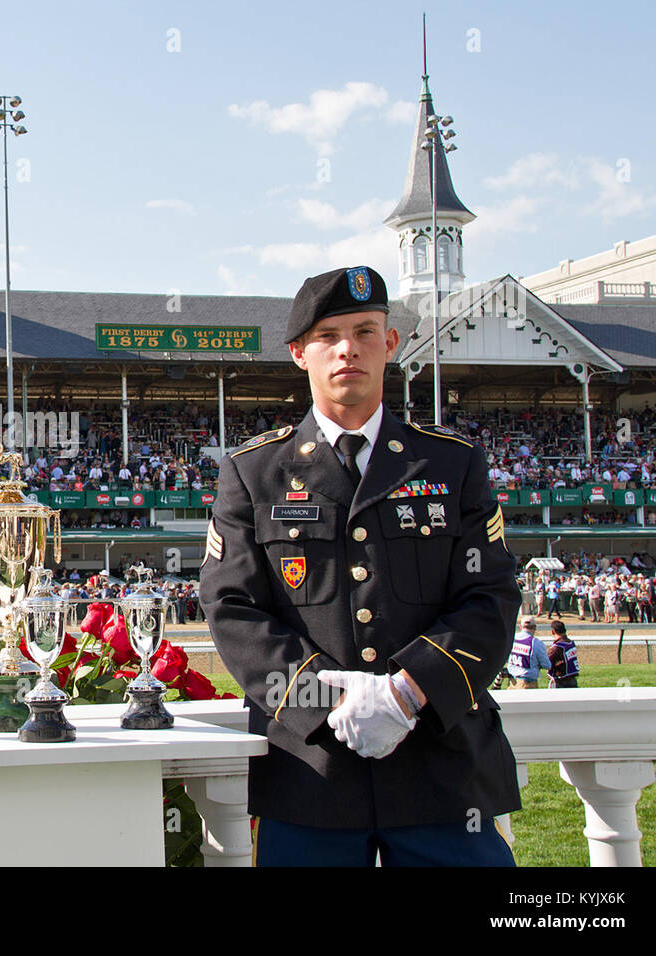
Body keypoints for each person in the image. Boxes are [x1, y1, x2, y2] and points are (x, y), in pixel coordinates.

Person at [200, 265, 521, 866]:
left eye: (366, 330)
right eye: (327, 336)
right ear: (299, 353)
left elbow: (491, 597)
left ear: (391, 343)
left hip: (444, 772)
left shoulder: (452, 465)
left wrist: (406, 692)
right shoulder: (253, 472)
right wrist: (324, 702)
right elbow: (232, 608)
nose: (348, 348)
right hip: (310, 775)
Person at [506, 617, 551, 689]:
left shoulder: (511, 639)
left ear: (520, 627)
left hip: (512, 682)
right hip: (527, 683)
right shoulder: (536, 643)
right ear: (535, 628)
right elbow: (547, 665)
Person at [546, 620, 580, 688]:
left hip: (560, 681)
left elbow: (546, 662)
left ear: (552, 631)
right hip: (572, 679)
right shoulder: (571, 643)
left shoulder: (557, 647)